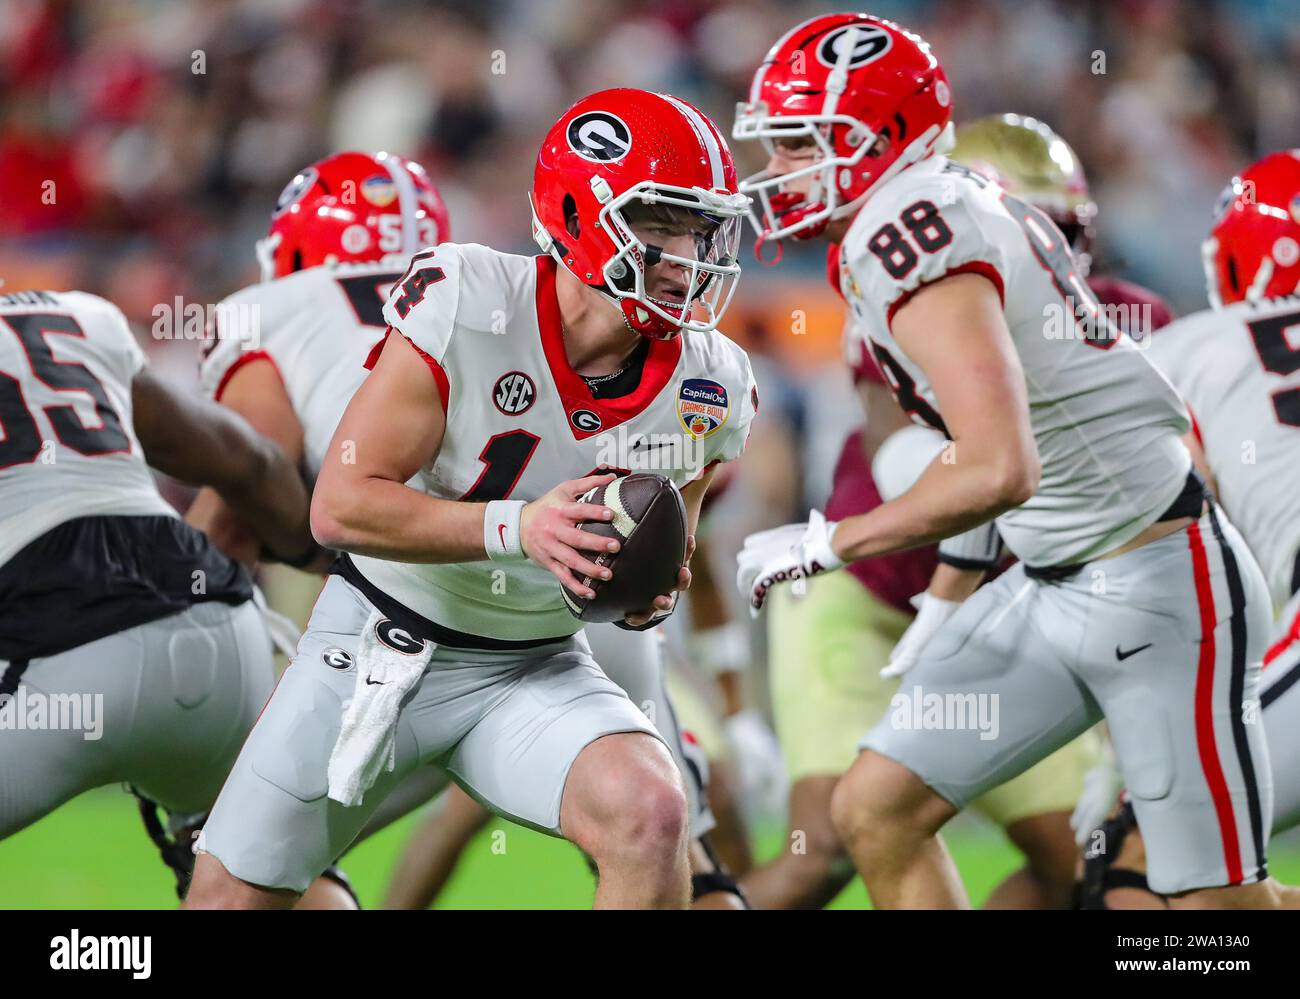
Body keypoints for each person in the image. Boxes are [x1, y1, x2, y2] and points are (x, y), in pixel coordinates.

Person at [733, 13, 1279, 908]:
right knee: (876, 806)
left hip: (1156, 581)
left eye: (803, 144)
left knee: (1209, 924)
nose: (782, 171)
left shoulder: (909, 229)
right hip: (1059, 579)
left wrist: (833, 542)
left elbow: (997, 466)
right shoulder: (921, 212)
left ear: (880, 138)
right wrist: (947, 597)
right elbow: (1002, 448)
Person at [184, 88, 757, 910]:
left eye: (703, 231)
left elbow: (665, 570)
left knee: (652, 809)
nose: (688, 257)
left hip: (538, 660)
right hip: (382, 640)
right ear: (578, 216)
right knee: (227, 900)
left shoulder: (713, 380)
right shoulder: (468, 297)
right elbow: (339, 506)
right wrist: (521, 526)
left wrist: (643, 594)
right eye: (664, 226)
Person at [0, 286, 312, 899]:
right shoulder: (75, 316)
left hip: (57, 643)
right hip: (221, 628)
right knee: (252, 878)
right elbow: (247, 462)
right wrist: (314, 554)